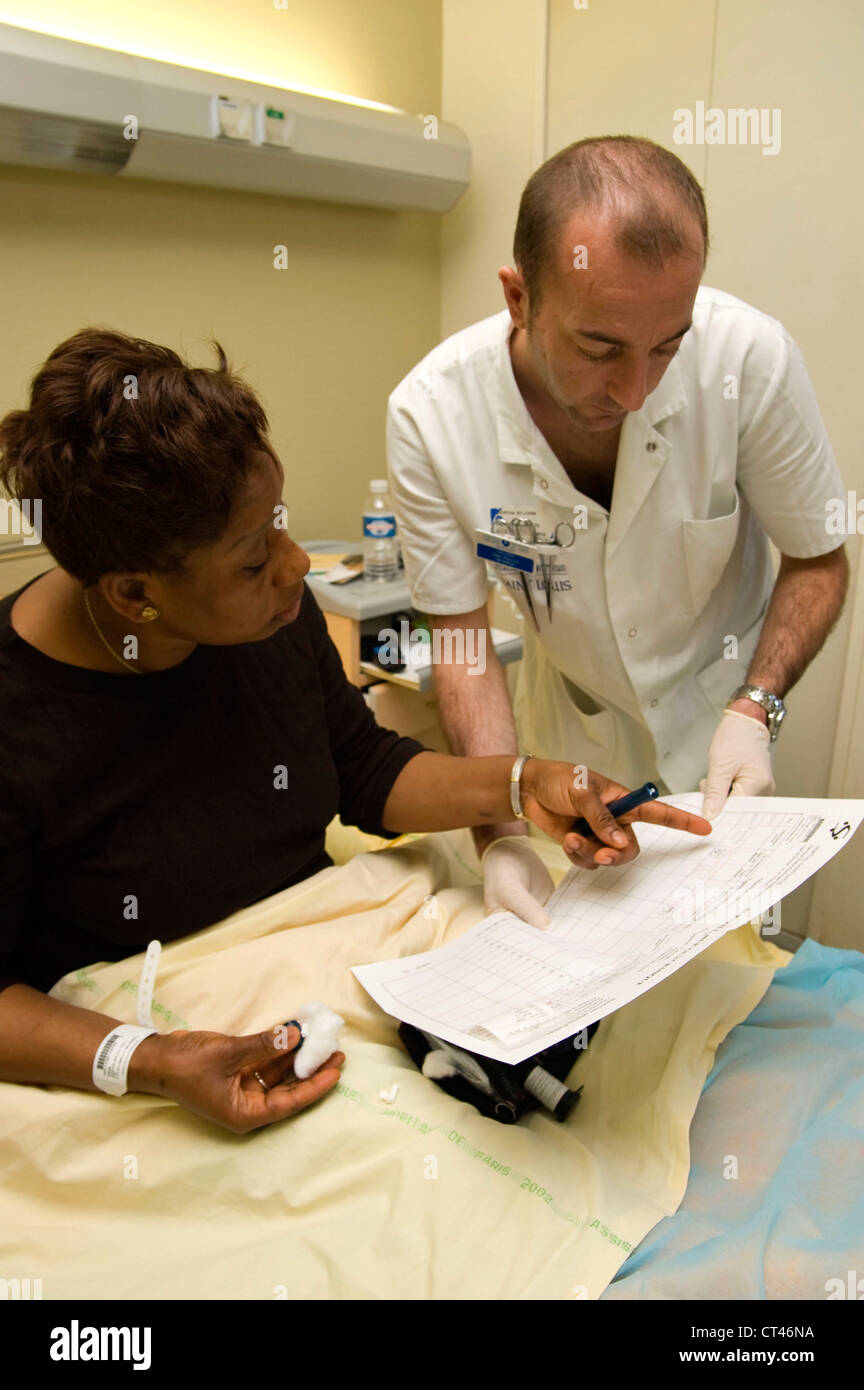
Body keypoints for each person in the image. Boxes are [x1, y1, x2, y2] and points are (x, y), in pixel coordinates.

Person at [0, 327, 710, 1134]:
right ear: (135, 595)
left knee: (635, 1026)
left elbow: (363, 767)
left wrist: (524, 781)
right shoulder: (20, 722)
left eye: (279, 521)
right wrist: (152, 1061)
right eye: (251, 557)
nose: (295, 562)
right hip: (146, 1026)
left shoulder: (272, 617)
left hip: (326, 965)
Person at [386, 135, 848, 930]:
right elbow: (460, 638)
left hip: (725, 741)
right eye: (600, 349)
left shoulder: (750, 360)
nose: (637, 391)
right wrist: (498, 828)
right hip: (567, 742)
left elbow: (818, 559)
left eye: (667, 346)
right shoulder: (431, 415)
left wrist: (757, 707)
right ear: (519, 299)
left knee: (722, 984)